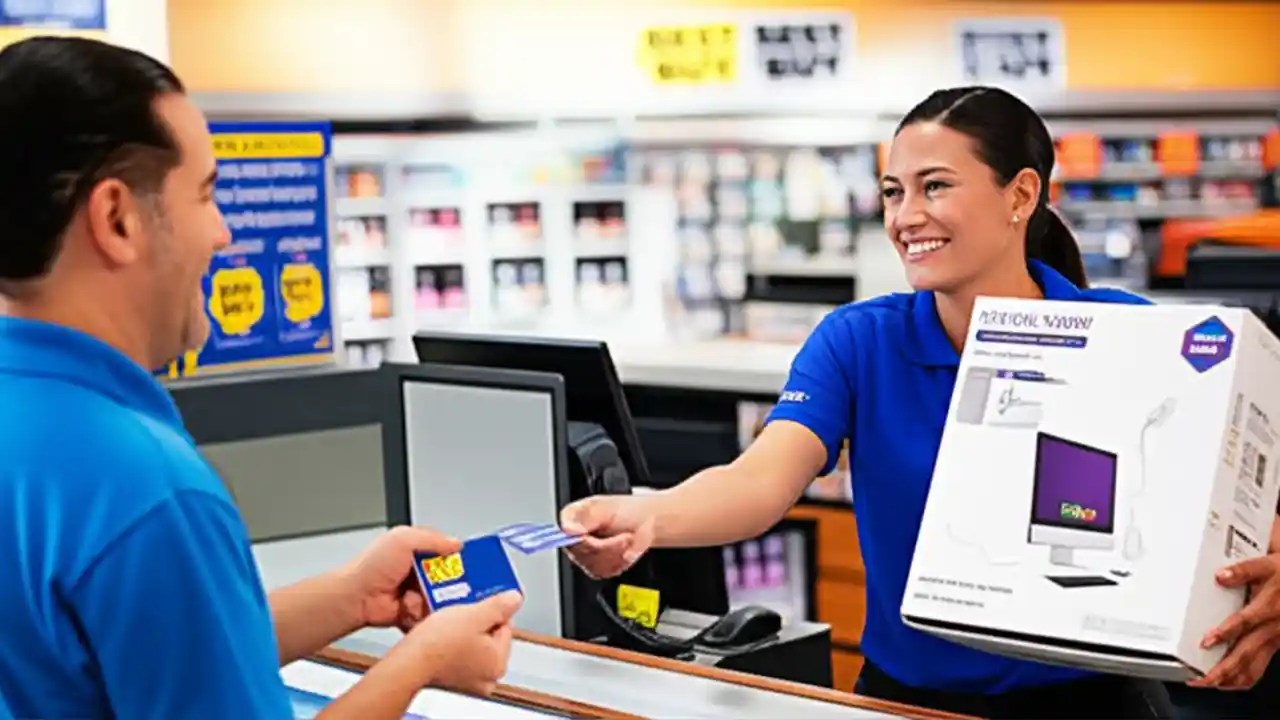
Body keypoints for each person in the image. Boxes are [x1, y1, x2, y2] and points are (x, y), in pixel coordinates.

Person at [561, 85, 1280, 719]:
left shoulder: (1127, 334)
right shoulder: (858, 342)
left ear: (1020, 196)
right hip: (906, 699)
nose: (907, 215)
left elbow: (1231, 498)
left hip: (1092, 699)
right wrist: (648, 516)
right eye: (892, 192)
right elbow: (760, 481)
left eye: (935, 186)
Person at [0, 36, 522, 719]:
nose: (223, 234)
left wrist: (351, 596)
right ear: (117, 218)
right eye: (206, 194)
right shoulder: (145, 490)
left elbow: (141, 657)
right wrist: (422, 662)